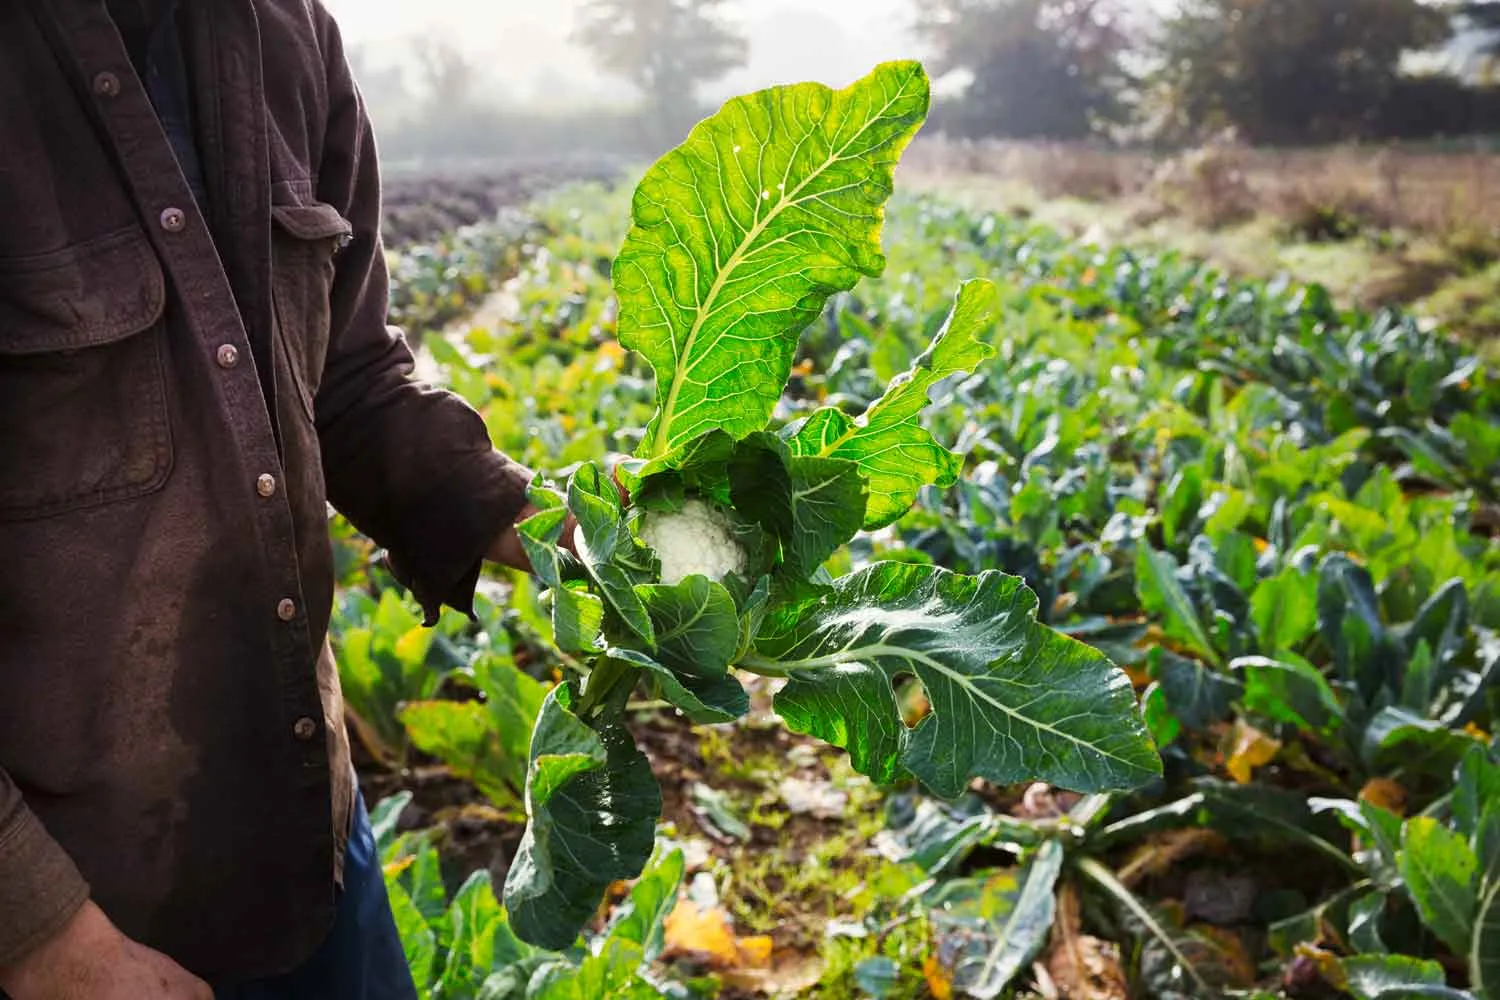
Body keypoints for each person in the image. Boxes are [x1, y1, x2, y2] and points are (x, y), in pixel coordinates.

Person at [0, 1, 560, 997]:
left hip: (307, 837)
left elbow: (346, 371)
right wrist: (42, 934)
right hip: (75, 905)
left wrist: (518, 514)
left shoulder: (291, 35)